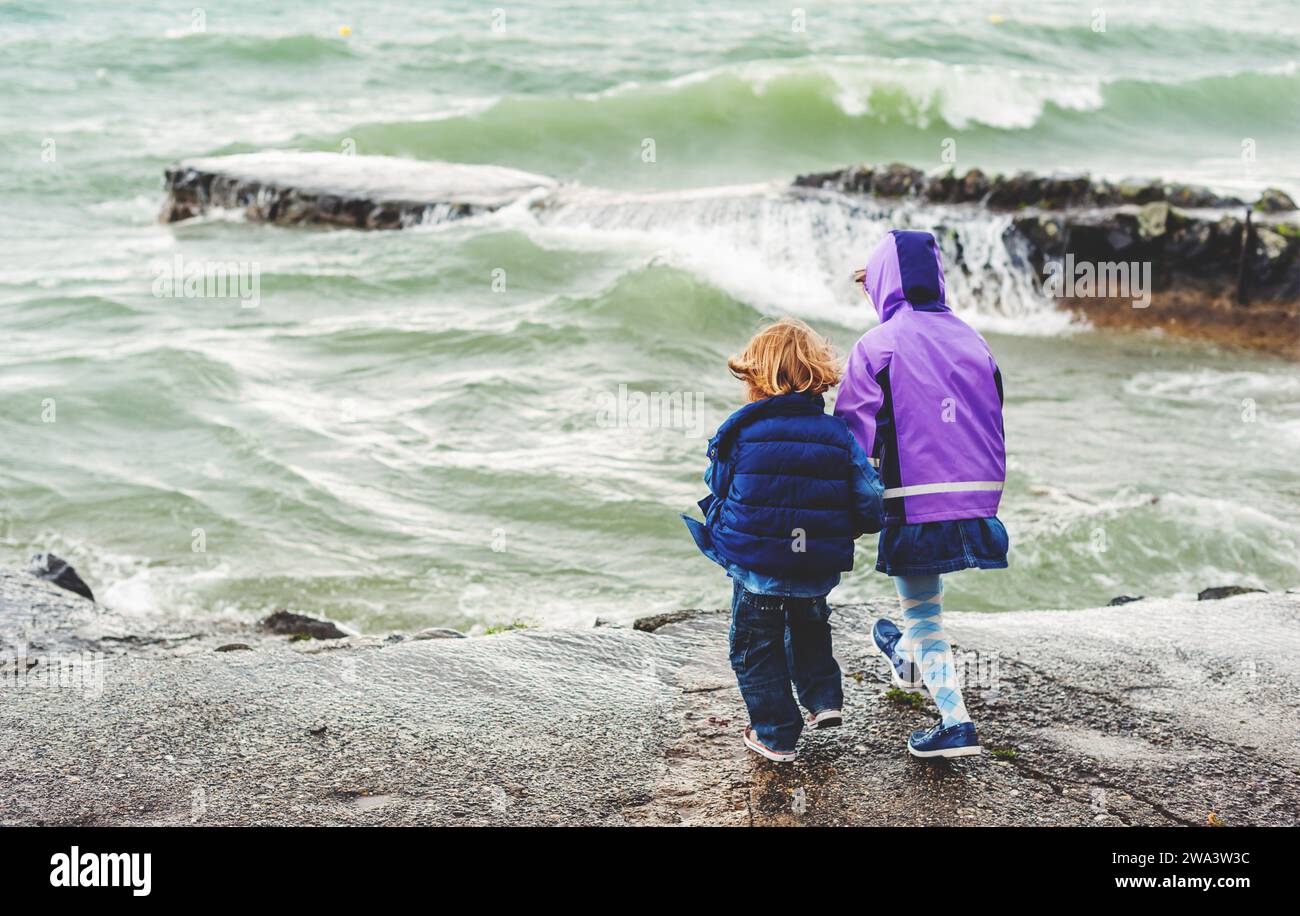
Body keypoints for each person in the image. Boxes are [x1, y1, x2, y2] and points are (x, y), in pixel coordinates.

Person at [836, 230, 1010, 759]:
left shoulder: (876, 345)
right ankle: (906, 657)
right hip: (977, 498)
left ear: (885, 284)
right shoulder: (971, 337)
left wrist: (842, 505)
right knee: (921, 605)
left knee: (925, 619)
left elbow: (852, 437)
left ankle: (955, 722)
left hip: (915, 500)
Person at [683, 318, 883, 763]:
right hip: (815, 568)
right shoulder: (838, 434)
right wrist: (852, 526)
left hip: (758, 570)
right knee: (810, 629)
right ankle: (824, 699)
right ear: (817, 376)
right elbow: (870, 497)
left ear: (756, 379)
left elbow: (720, 485)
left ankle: (776, 733)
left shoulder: (740, 430)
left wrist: (722, 520)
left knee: (755, 648)